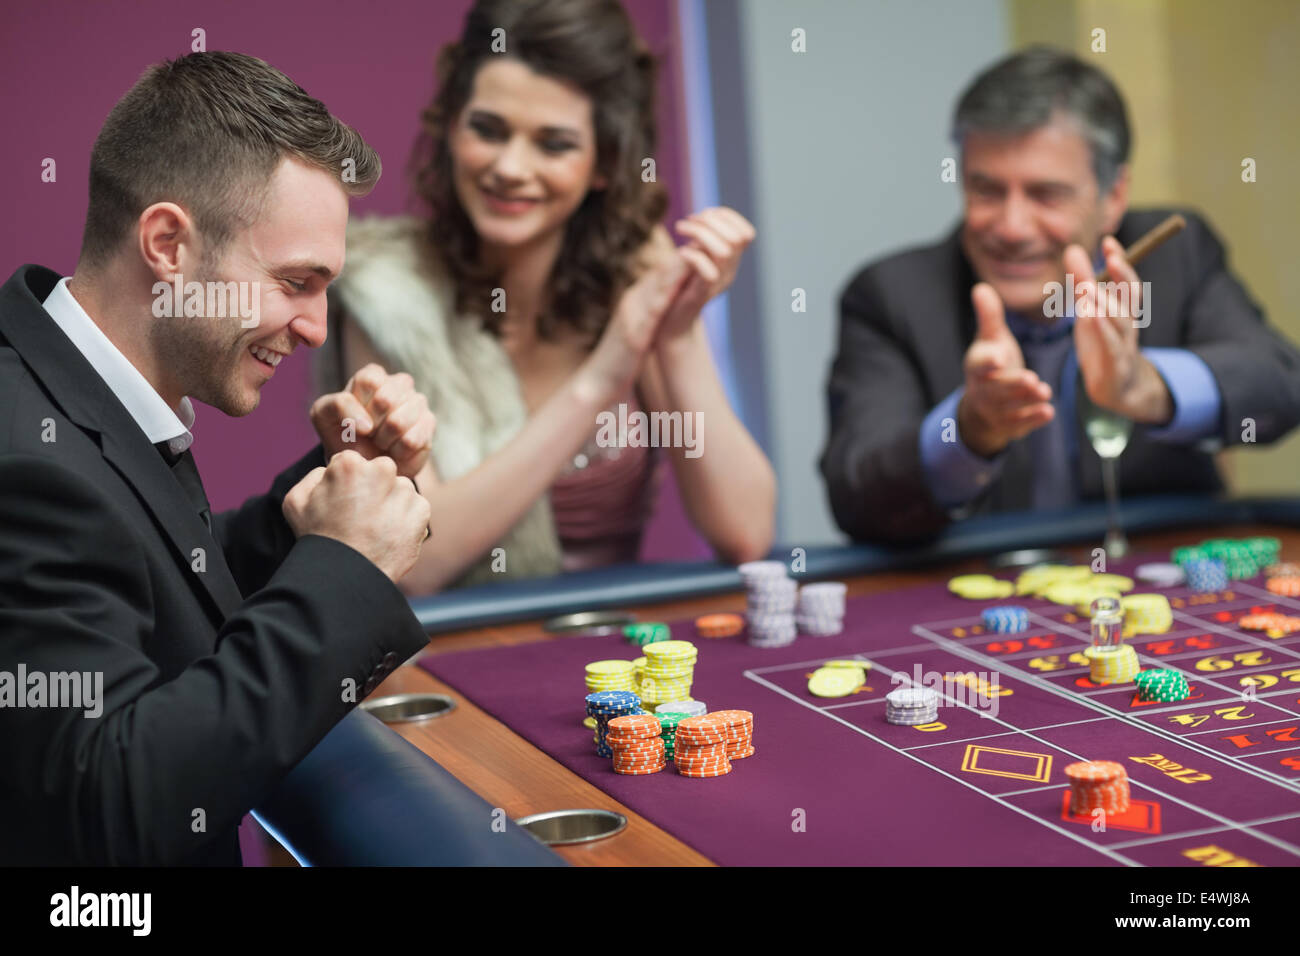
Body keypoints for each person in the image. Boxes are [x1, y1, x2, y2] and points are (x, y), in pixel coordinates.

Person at [0, 52, 437, 865]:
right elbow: (110, 803)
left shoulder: (72, 387)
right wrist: (345, 565)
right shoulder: (26, 460)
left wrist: (319, 495)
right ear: (167, 243)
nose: (314, 326)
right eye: (295, 281)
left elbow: (151, 597)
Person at [320, 0, 776, 592]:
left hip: (614, 658)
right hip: (448, 656)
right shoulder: (387, 286)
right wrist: (601, 378)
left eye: (553, 143)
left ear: (605, 163)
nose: (511, 167)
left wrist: (678, 332)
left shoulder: (638, 275)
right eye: (488, 130)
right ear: (452, 127)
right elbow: (415, 568)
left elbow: (744, 532)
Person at [821, 47, 1300, 545]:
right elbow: (856, 493)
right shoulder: (891, 295)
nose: (1011, 227)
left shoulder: (1175, 256)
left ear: (1113, 197)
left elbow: (1279, 389)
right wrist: (968, 432)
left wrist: (1144, 386)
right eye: (986, 190)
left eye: (1046, 195)